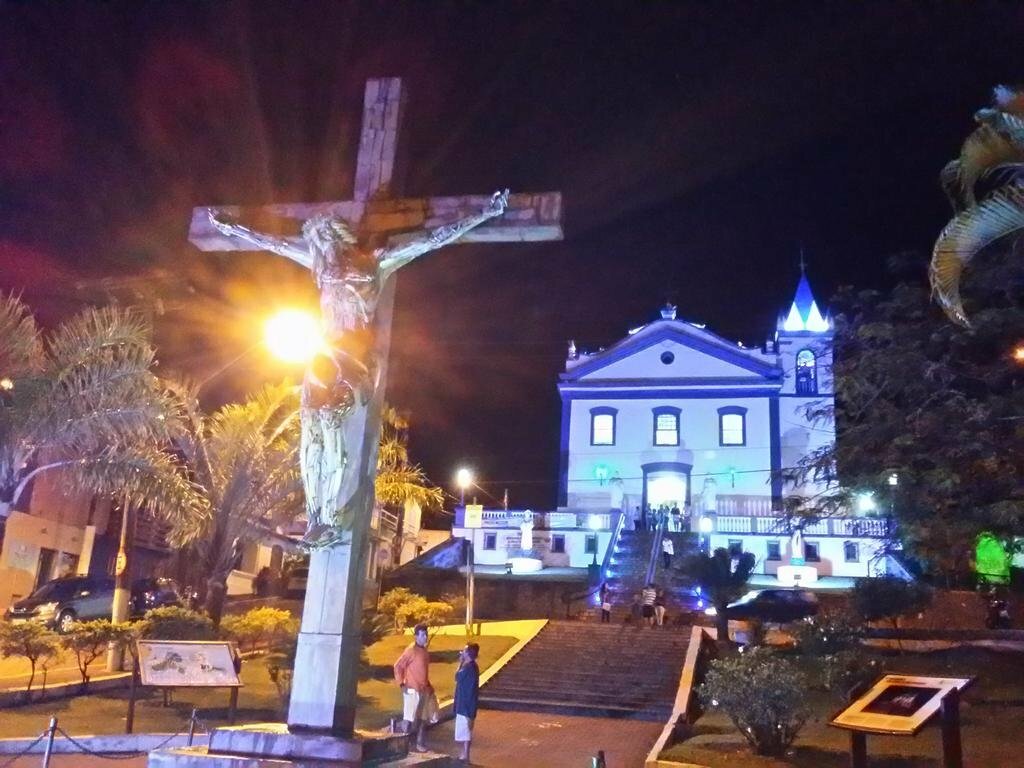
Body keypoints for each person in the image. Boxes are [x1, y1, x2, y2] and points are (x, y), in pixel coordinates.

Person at [393, 623, 433, 751]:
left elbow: (423, 671)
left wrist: (429, 686)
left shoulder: (425, 651)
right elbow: (398, 666)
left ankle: (419, 743)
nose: (425, 637)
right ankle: (404, 745)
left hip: (423, 690)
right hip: (412, 690)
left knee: (423, 719)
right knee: (409, 719)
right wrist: (401, 683)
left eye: (426, 634)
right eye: (423, 635)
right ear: (416, 636)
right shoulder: (411, 651)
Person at [453, 642, 480, 763]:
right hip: (469, 704)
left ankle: (465, 755)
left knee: (465, 731)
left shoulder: (467, 668)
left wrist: (460, 662)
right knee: (467, 731)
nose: (462, 652)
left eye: (464, 651)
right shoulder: (474, 667)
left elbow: (457, 677)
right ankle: (465, 755)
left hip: (465, 704)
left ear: (468, 653)